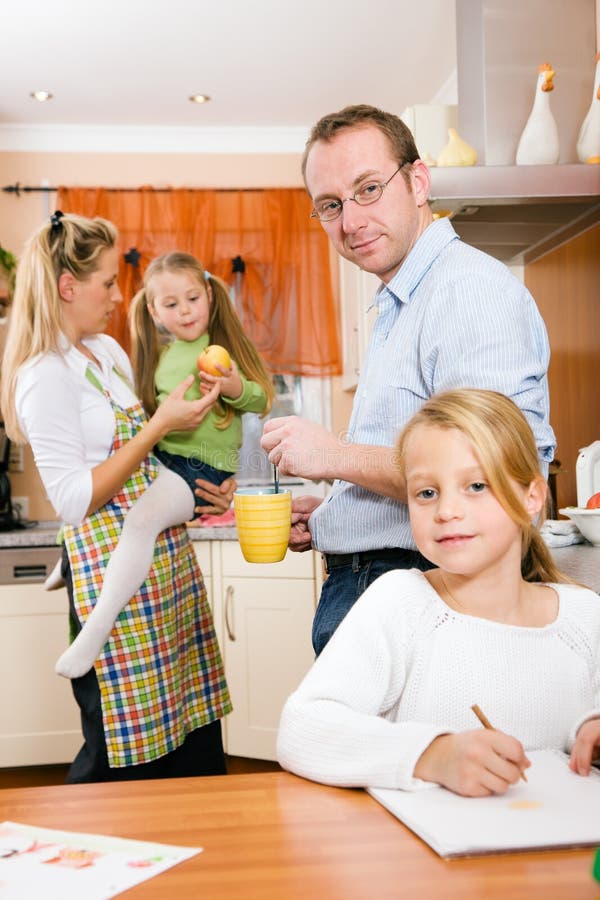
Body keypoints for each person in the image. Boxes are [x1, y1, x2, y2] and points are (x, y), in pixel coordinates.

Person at [261, 104, 556, 656]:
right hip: (383, 584)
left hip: (418, 587)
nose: (349, 222)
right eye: (330, 205)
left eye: (368, 188)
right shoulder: (404, 300)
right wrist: (337, 512)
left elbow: (488, 471)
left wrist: (333, 457)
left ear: (418, 182)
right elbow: (421, 461)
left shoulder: (467, 292)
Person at [0, 211, 234, 783]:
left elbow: (142, 460)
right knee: (119, 755)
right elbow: (75, 500)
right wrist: (158, 428)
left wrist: (206, 485)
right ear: (67, 286)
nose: (116, 293)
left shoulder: (106, 352)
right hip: (112, 575)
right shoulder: (43, 376)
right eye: (107, 281)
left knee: (191, 735)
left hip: (164, 568)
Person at [277, 389, 600, 796]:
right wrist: (431, 755)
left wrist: (591, 729)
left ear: (531, 497)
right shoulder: (398, 603)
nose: (446, 511)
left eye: (476, 485)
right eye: (426, 493)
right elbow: (301, 729)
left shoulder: (586, 616)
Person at [53, 251, 273, 679]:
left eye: (192, 298)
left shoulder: (222, 349)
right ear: (154, 311)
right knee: (111, 491)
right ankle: (63, 566)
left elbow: (260, 399)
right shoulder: (156, 356)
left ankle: (93, 634)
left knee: (139, 523)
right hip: (164, 460)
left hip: (200, 470)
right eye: (171, 305)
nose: (185, 310)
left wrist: (231, 385)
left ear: (208, 294)